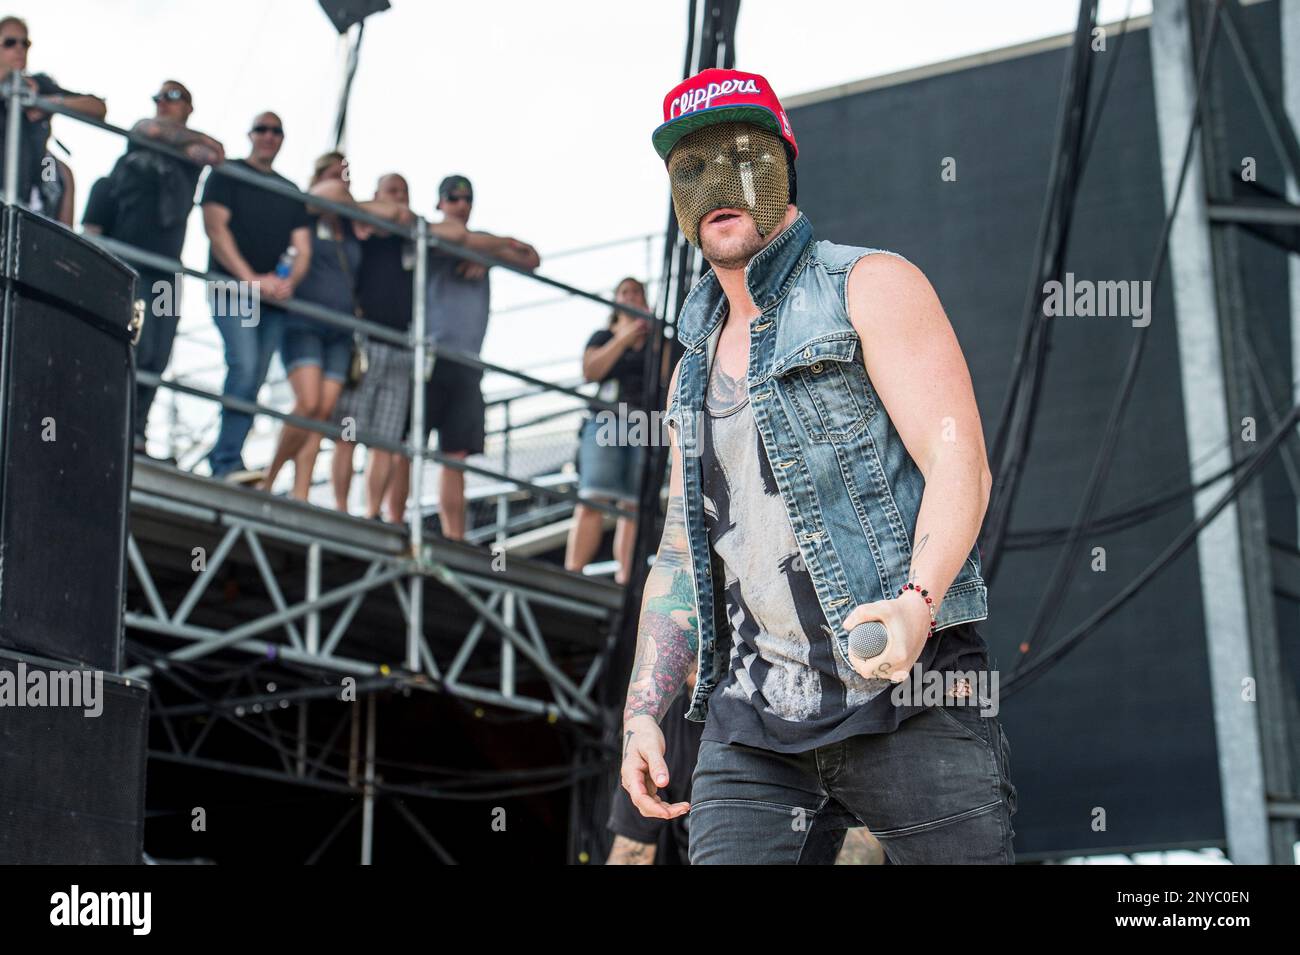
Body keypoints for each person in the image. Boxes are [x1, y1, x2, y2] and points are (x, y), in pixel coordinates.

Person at [619, 68, 1016, 864]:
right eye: (690, 169)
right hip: (754, 718)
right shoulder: (689, 370)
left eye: (741, 156)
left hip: (910, 693)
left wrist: (915, 605)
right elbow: (678, 545)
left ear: (784, 165)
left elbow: (958, 458)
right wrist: (643, 710)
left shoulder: (868, 285)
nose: (716, 184)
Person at [383, 175, 540, 537]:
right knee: (407, 446)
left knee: (456, 456)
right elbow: (456, 238)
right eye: (453, 197)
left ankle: (455, 538)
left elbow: (532, 257)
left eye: (467, 198)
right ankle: (393, 521)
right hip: (429, 356)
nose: (461, 204)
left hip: (467, 362)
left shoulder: (480, 243)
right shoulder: (429, 233)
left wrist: (485, 255)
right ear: (440, 202)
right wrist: (491, 248)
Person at [83, 80, 223, 454]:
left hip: (167, 273)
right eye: (159, 97)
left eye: (173, 97)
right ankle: (113, 422)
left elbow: (214, 153)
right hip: (128, 266)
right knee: (133, 344)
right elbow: (146, 129)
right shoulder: (125, 163)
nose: (163, 103)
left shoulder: (184, 162)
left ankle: (137, 429)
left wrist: (175, 139)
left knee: (158, 352)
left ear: (189, 108)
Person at [330, 173, 467, 519]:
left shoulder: (414, 237)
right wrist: (384, 213)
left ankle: (372, 512)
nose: (399, 199)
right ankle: (342, 508)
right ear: (376, 195)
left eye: (404, 193)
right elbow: (336, 198)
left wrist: (411, 221)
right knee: (347, 433)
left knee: (386, 441)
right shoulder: (363, 229)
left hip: (402, 346)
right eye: (391, 192)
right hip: (364, 342)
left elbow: (456, 233)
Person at [201, 111, 311, 482]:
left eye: (276, 131)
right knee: (245, 366)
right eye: (262, 129)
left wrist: (286, 282)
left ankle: (229, 458)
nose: (268, 136)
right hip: (232, 289)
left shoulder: (291, 190)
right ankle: (226, 461)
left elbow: (303, 247)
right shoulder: (226, 173)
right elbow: (215, 228)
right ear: (250, 133)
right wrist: (251, 280)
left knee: (255, 376)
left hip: (272, 300)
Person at [564, 277, 650, 584]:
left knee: (634, 504)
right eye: (624, 292)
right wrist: (623, 339)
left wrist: (652, 334)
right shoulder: (604, 335)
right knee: (594, 497)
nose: (630, 297)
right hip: (605, 420)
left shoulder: (656, 338)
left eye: (636, 292)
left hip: (644, 423)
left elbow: (668, 375)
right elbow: (591, 371)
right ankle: (574, 571)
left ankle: (625, 577)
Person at [0, 16, 106, 218]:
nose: (19, 49)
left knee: (61, 175)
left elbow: (97, 107)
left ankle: (61, 245)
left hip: (38, 171)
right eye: (10, 42)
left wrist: (50, 102)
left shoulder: (38, 84)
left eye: (25, 43)